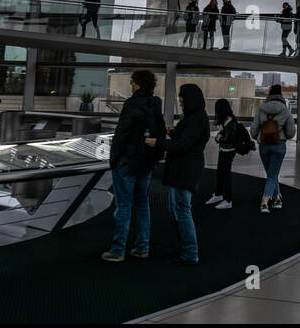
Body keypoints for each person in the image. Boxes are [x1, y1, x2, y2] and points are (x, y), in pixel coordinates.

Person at [101, 69, 165, 262]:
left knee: (124, 206)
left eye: (132, 82)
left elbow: (122, 134)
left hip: (127, 162)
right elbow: (160, 130)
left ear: (137, 84)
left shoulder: (131, 104)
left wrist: (113, 159)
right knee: (143, 205)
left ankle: (118, 250)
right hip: (145, 163)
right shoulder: (155, 103)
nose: (131, 85)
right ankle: (142, 247)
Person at [163, 84, 209, 265]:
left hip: (185, 169)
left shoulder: (195, 118)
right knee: (178, 209)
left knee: (182, 210)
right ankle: (185, 247)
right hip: (186, 168)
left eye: (182, 100)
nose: (180, 103)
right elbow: (187, 139)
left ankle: (190, 252)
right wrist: (175, 132)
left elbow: (183, 145)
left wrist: (158, 142)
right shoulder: (195, 117)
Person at [250, 84, 295, 214]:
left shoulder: (261, 109)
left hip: (264, 145)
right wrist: (283, 136)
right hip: (279, 145)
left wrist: (257, 137)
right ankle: (264, 202)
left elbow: (254, 129)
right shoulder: (285, 110)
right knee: (272, 174)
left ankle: (277, 198)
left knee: (271, 174)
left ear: (269, 95)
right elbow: (291, 132)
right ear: (280, 95)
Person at [206, 99, 242, 209]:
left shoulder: (230, 122)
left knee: (226, 174)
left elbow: (228, 139)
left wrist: (218, 138)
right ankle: (219, 194)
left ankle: (228, 200)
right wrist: (220, 137)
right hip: (224, 150)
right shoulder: (226, 120)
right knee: (220, 172)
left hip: (229, 151)